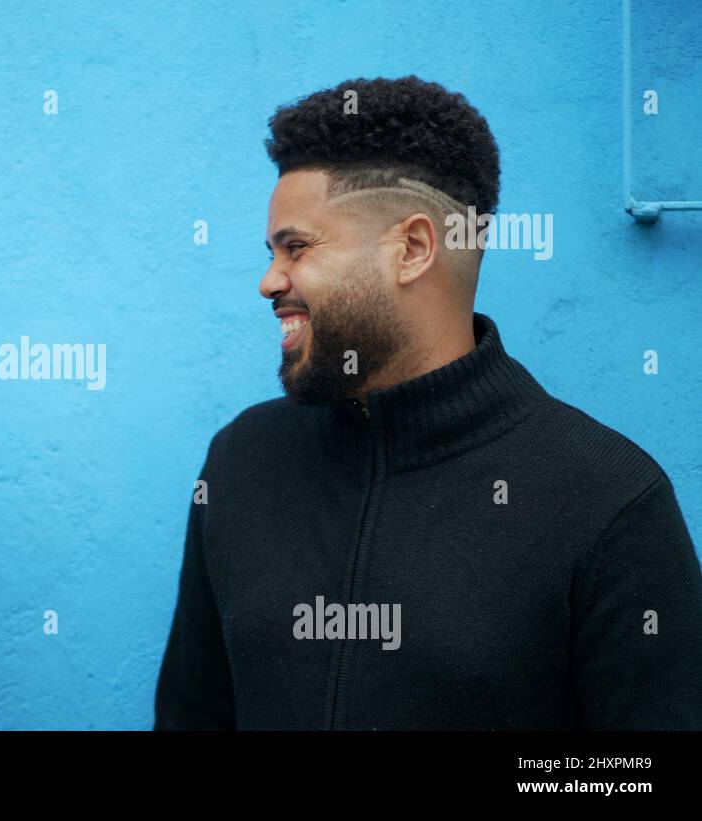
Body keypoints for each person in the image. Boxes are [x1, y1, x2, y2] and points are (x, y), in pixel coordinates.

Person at [154, 75, 702, 730]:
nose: (269, 280)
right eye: (272, 251)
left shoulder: (608, 498)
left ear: (412, 249)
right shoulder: (242, 461)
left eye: (295, 247)